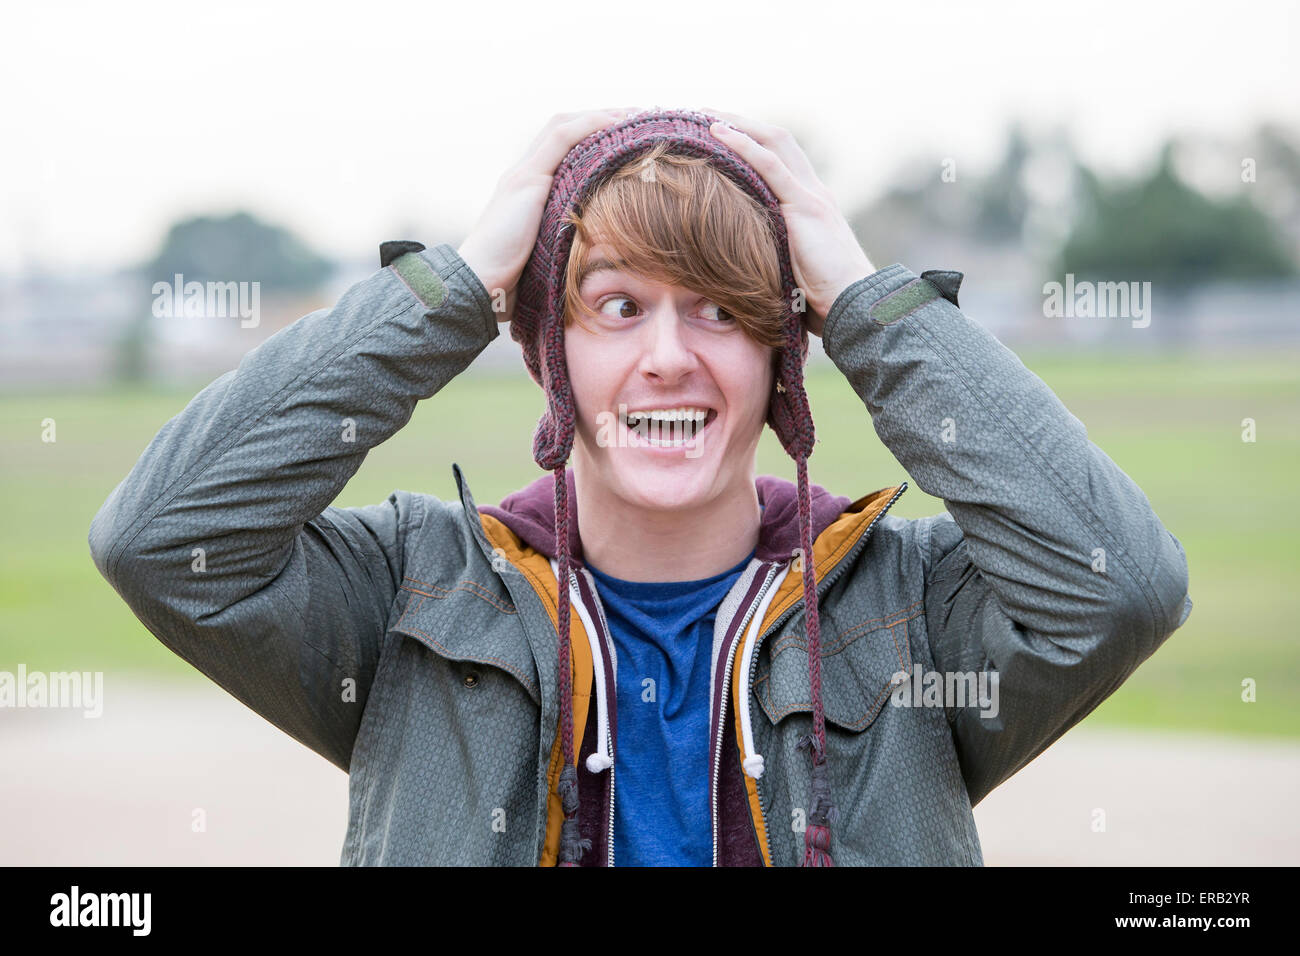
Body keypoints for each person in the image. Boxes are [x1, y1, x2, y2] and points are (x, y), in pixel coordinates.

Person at [88, 106, 1193, 867]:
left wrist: (863, 300)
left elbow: (1122, 587)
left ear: (779, 357)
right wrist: (459, 290)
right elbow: (160, 540)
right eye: (618, 306)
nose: (669, 354)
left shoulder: (907, 610)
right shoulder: (412, 591)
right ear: (551, 354)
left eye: (720, 308)